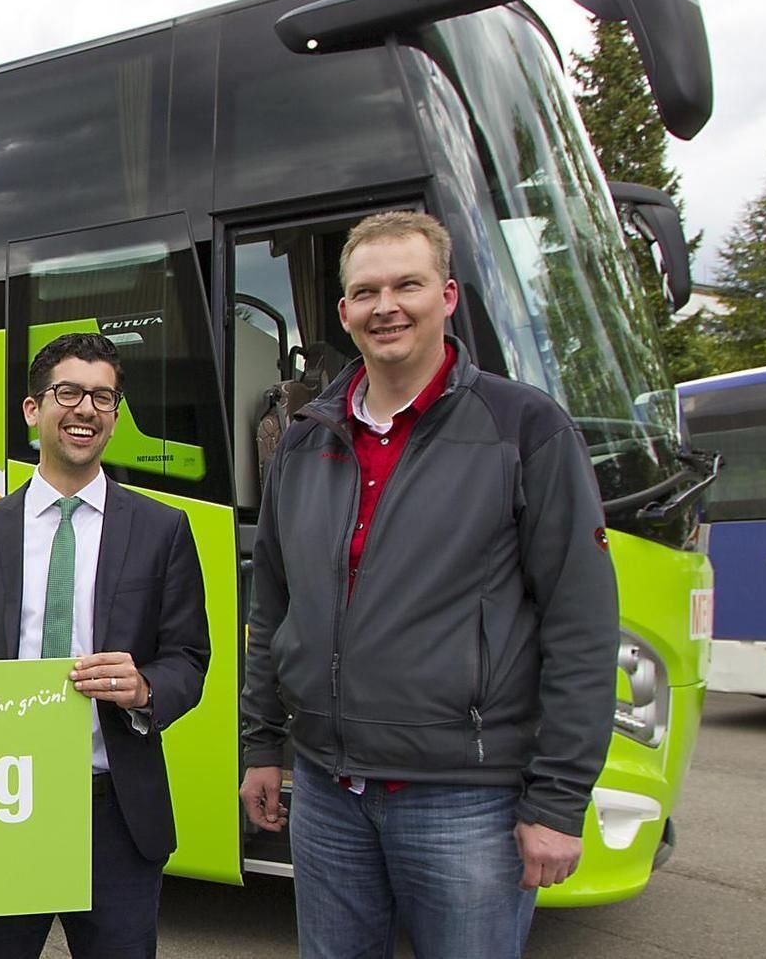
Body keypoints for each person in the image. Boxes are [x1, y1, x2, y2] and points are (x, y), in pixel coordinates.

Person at [239, 211, 619, 958]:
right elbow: (273, 605)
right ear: (344, 312)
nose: (386, 305)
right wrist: (262, 744)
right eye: (365, 290)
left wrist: (559, 799)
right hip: (326, 787)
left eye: (406, 284)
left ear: (446, 295)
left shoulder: (525, 429)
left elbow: (580, 626)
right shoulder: (306, 437)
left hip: (465, 799)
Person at [0, 332, 209, 959]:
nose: (86, 410)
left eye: (103, 398)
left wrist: (145, 689)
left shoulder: (163, 529)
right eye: (68, 393)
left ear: (115, 417)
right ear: (33, 410)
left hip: (113, 812)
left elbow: (189, 658)